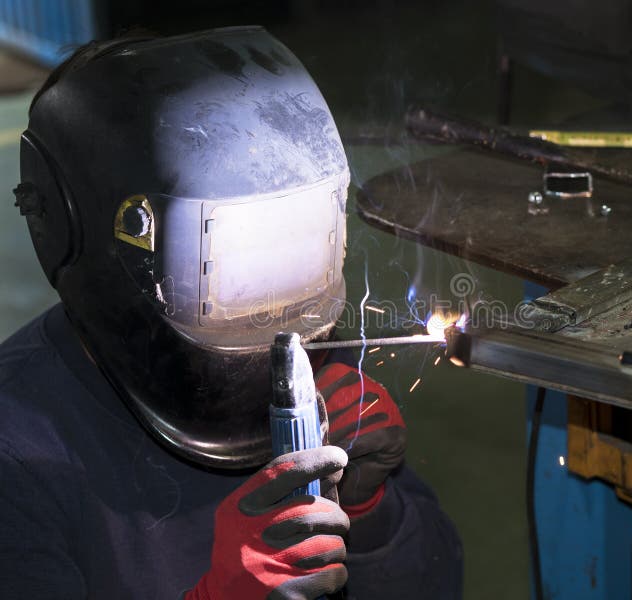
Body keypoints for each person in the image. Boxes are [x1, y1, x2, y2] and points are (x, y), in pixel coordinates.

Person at [0, 26, 462, 599]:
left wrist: (369, 509)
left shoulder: (307, 362)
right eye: (228, 258)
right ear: (76, 225)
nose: (270, 316)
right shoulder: (18, 453)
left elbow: (437, 584)